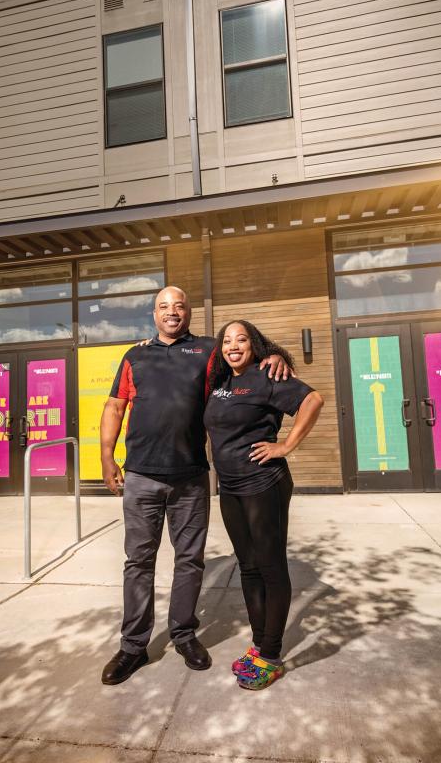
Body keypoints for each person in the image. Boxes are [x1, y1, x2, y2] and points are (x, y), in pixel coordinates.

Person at [100, 287, 292, 685]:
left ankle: (184, 634)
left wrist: (276, 356)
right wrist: (106, 457)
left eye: (179, 306)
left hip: (189, 475)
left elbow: (245, 359)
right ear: (154, 314)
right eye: (164, 307)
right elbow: (115, 405)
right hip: (140, 474)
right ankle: (133, 646)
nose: (172, 312)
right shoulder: (134, 355)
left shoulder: (207, 351)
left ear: (188, 313)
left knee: (189, 561)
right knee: (139, 561)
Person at [204, 320, 323, 691]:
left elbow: (312, 400)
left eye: (241, 340)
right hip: (231, 488)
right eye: (227, 341)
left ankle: (272, 655)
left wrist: (285, 446)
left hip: (263, 484)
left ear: (254, 345)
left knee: (270, 567)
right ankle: (260, 645)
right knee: (248, 566)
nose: (233, 346)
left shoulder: (267, 374)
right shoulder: (220, 382)